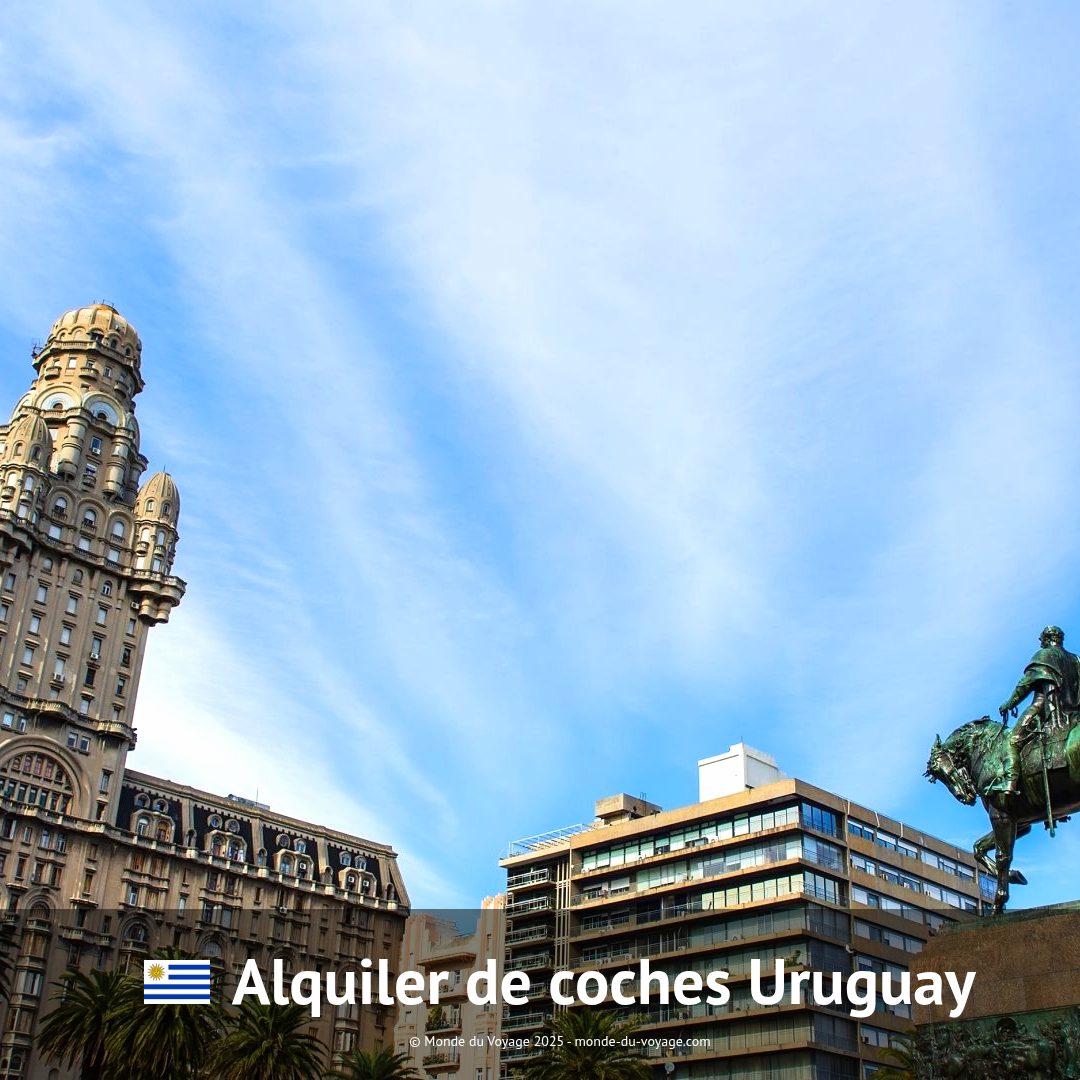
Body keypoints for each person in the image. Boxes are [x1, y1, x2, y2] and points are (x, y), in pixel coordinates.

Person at [998, 626, 1080, 795]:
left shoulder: (1043, 655)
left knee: (1012, 741)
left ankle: (1010, 783)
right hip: (1074, 714)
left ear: (1045, 639)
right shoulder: (1075, 659)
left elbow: (1025, 685)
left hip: (1047, 710)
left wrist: (1008, 704)